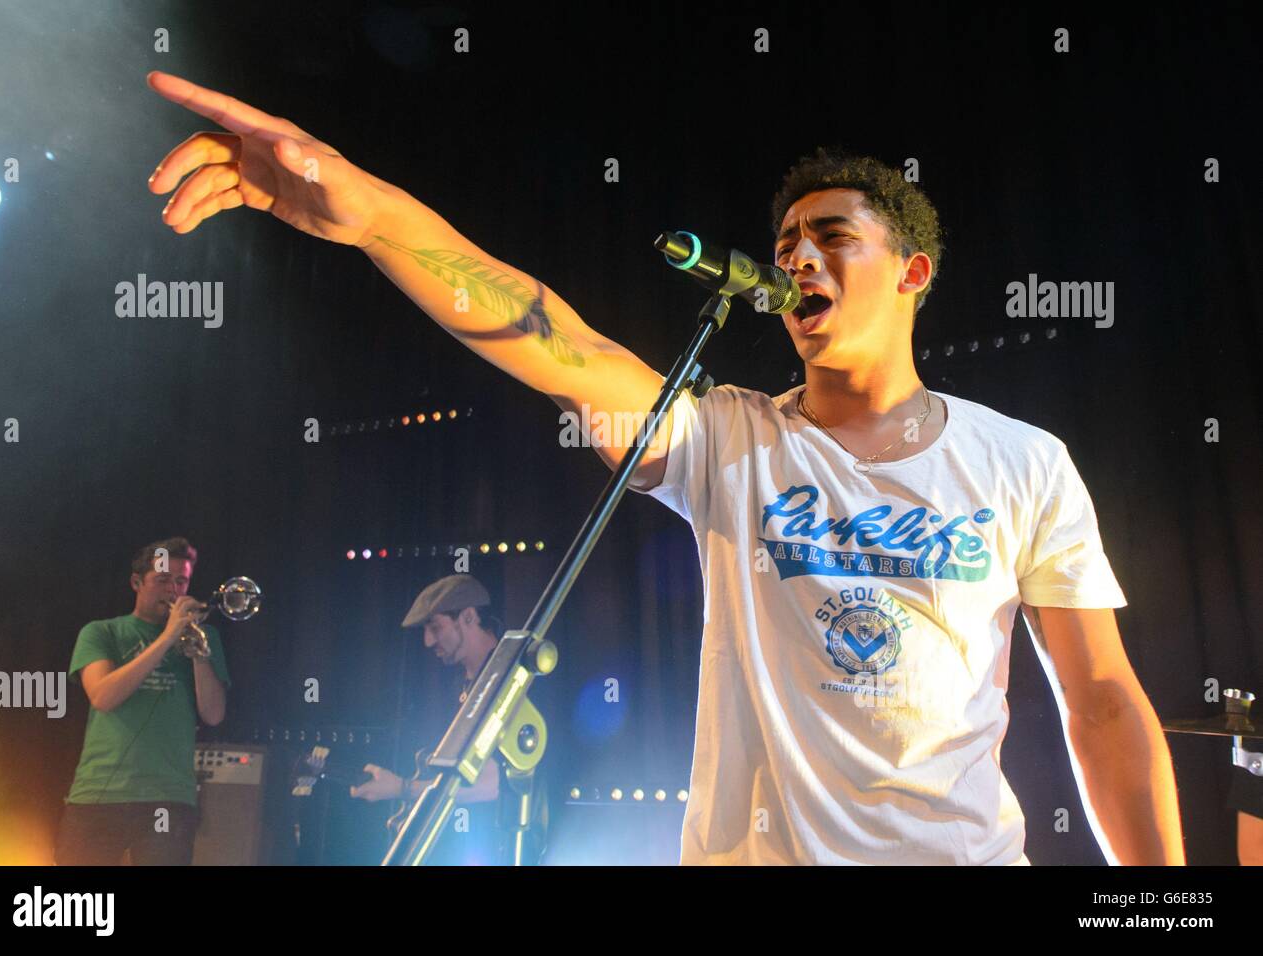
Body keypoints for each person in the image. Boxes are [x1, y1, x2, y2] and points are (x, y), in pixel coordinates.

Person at [143, 73, 1182, 864]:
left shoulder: (1021, 461)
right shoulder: (729, 438)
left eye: (832, 237)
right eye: (785, 245)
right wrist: (371, 216)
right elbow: (558, 340)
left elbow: (1098, 701)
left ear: (912, 271)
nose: (798, 260)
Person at [55, 536, 230, 865]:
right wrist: (166, 638)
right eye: (163, 580)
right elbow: (104, 696)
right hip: (100, 793)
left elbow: (214, 714)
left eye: (181, 581)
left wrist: (199, 657)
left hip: (169, 797)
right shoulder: (101, 632)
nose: (173, 591)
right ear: (136, 582)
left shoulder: (205, 639)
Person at [350, 574, 546, 865]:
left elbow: (491, 783)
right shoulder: (464, 684)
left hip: (503, 851)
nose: (428, 640)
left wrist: (402, 788)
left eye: (435, 627)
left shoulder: (512, 676)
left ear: (468, 617)